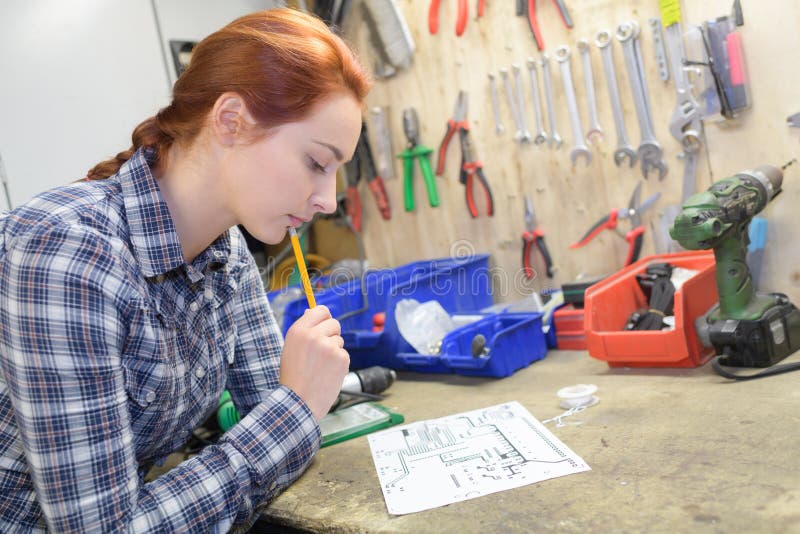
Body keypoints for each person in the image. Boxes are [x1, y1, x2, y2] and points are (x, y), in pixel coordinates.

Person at [0, 8, 370, 532]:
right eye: (316, 162)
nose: (328, 200)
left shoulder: (227, 253)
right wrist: (297, 406)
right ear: (231, 121)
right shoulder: (67, 254)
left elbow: (270, 413)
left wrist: (297, 400)